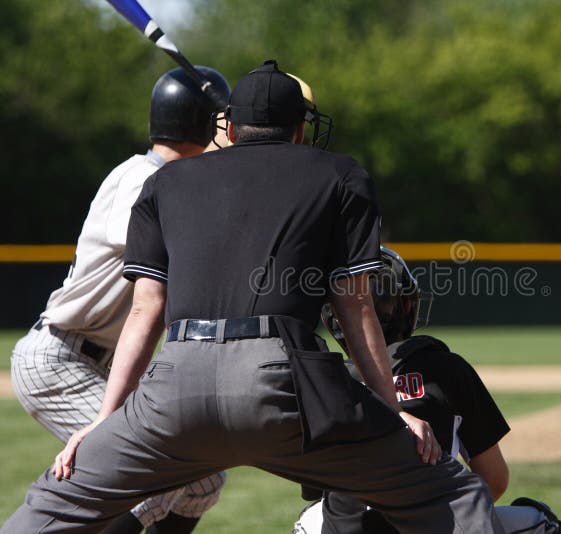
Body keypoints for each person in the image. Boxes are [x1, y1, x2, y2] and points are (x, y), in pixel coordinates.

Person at [1, 59, 501, 533]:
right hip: (285, 389)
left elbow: (146, 311)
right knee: (450, 494)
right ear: (300, 130)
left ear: (231, 129)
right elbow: (355, 307)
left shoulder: (164, 182)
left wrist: (104, 424)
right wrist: (393, 412)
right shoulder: (341, 175)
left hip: (174, 388)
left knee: (57, 503)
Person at [9, 66, 230, 534]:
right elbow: (181, 245)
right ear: (203, 126)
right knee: (157, 470)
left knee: (204, 479)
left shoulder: (175, 183)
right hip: (60, 359)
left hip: (100, 362)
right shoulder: (140, 178)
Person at [293, 246, 561, 534]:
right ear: (406, 307)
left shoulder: (323, 381)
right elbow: (494, 481)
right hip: (431, 524)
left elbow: (319, 490)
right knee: (541, 520)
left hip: (351, 528)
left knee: (307, 520)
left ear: (332, 317)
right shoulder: (444, 368)